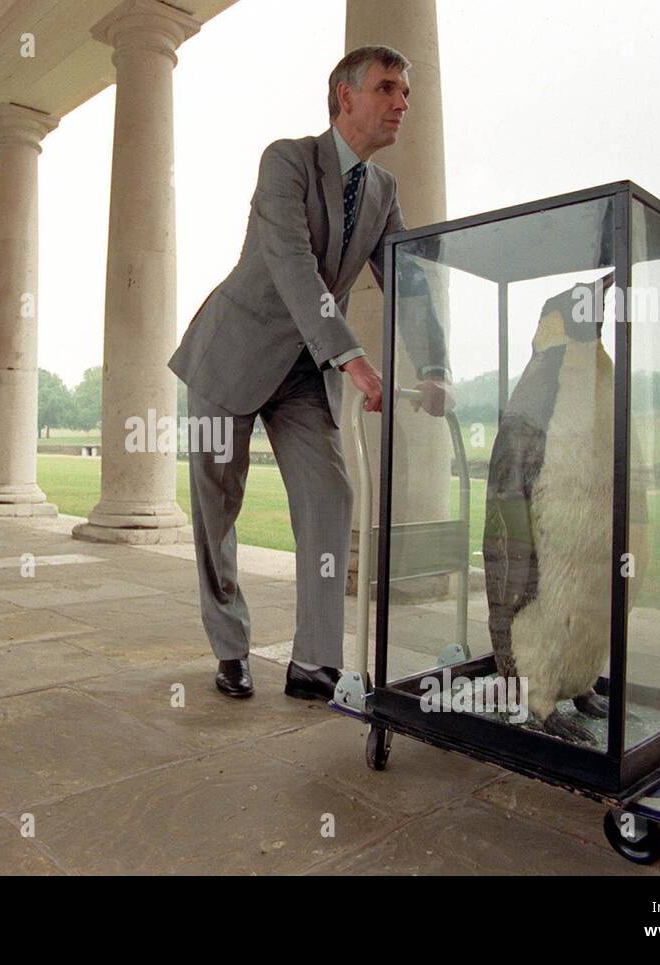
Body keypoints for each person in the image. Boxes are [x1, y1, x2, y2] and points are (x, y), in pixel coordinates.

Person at [168, 45, 453, 701]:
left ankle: (314, 662)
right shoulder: (287, 161)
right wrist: (351, 352)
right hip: (231, 357)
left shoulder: (382, 193)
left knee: (332, 495)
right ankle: (231, 646)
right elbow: (293, 263)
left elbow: (407, 285)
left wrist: (433, 365)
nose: (403, 102)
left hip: (304, 373)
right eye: (388, 88)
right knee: (217, 510)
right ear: (345, 96)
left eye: (406, 92)